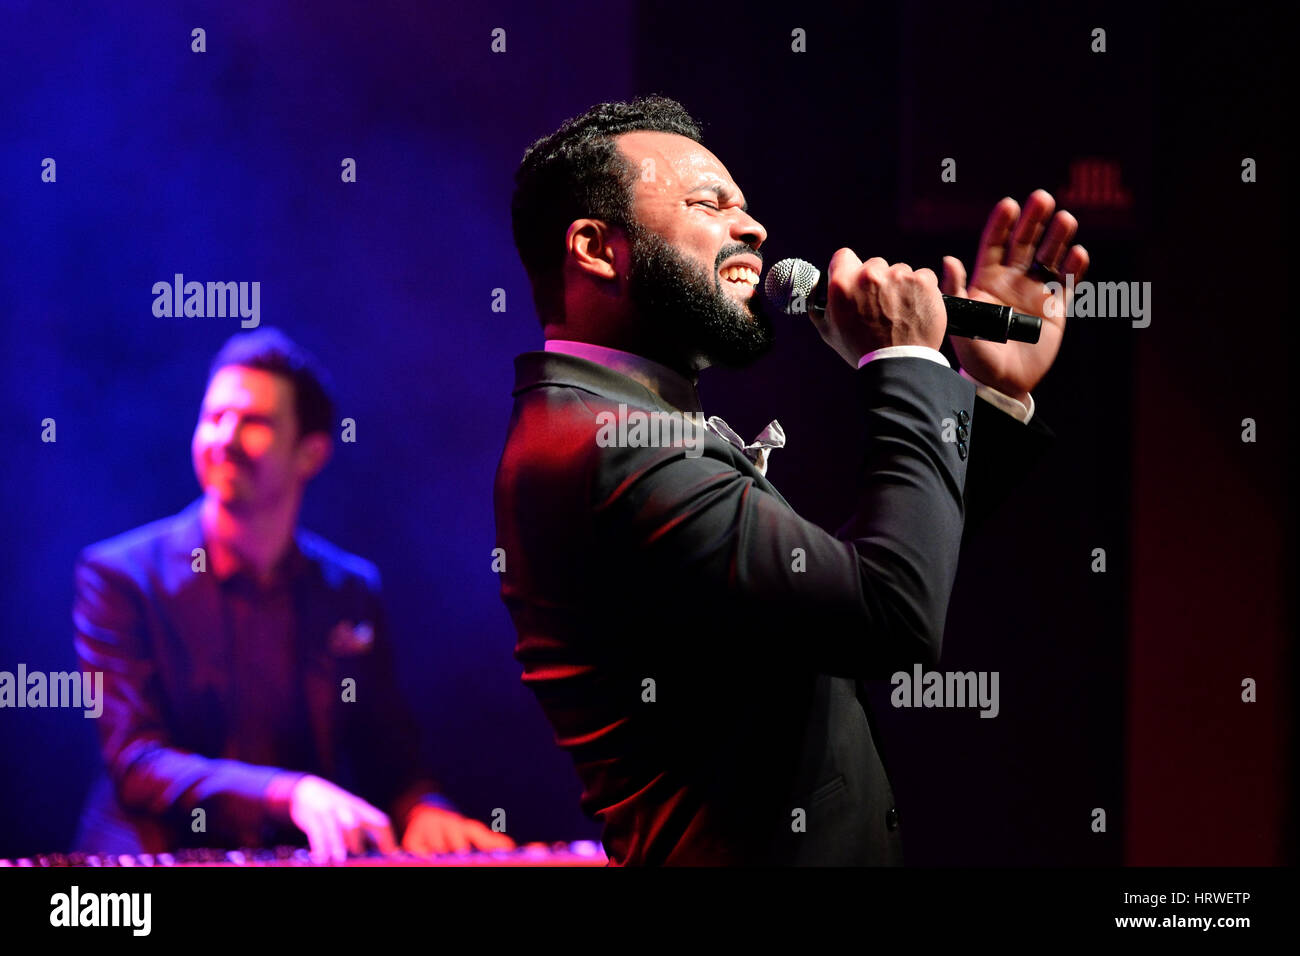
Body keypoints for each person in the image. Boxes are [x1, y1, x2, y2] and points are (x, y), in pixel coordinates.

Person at [494, 96, 1088, 865]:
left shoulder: (609, 425)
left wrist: (987, 396)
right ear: (596, 248)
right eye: (709, 203)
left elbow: (861, 588)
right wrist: (904, 362)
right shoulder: (610, 445)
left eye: (746, 206)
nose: (754, 229)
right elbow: (891, 615)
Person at [74, 328, 513, 862]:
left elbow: (390, 755)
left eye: (254, 422)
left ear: (311, 454)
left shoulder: (349, 591)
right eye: (214, 418)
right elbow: (137, 762)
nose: (225, 438)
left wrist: (423, 811)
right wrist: (289, 793)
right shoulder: (120, 577)